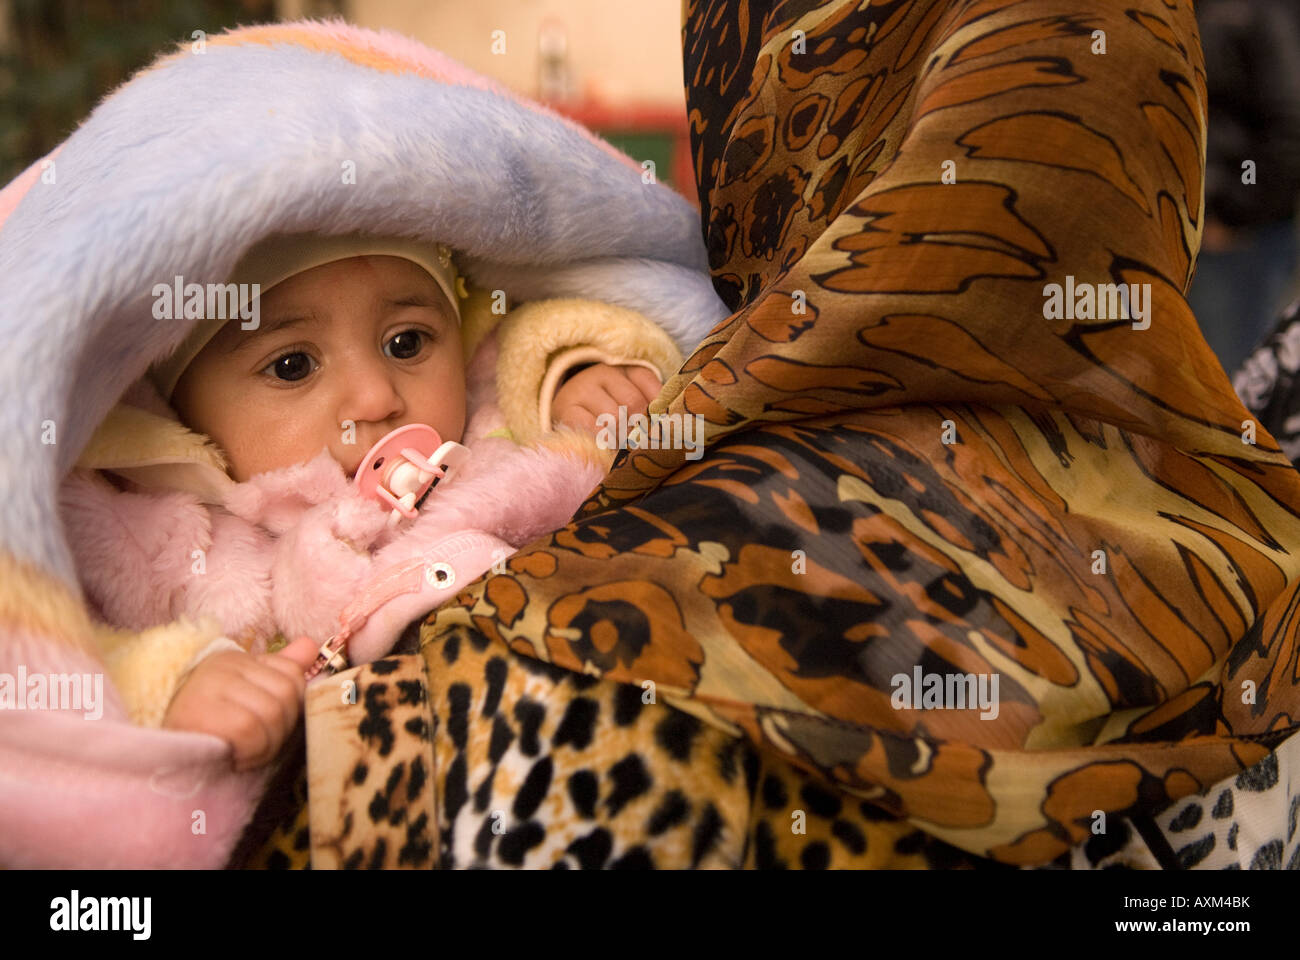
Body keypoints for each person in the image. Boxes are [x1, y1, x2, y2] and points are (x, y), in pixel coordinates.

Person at [58, 232, 673, 773]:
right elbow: (55, 671)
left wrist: (576, 382)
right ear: (173, 414)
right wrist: (174, 681)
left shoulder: (497, 428)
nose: (377, 397)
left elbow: (537, 334)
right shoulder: (152, 538)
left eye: (406, 343)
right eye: (293, 365)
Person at [1187, 0, 1300, 373]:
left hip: (1233, 237)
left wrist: (1236, 211)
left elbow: (1289, 122)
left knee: (1231, 381)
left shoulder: (1255, 11)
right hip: (1187, 226)